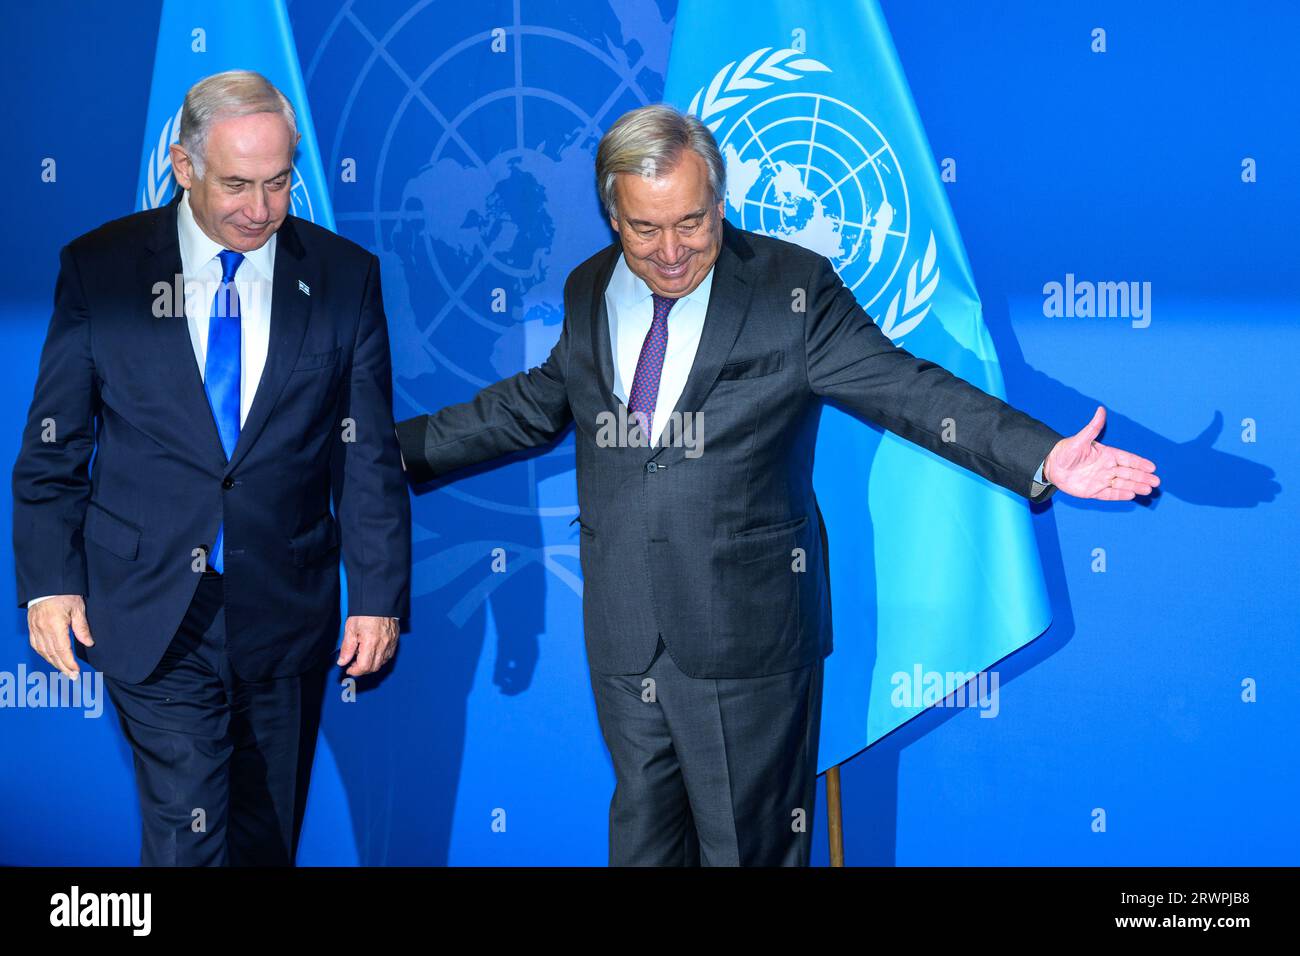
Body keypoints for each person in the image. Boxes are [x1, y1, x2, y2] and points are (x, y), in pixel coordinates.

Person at [394, 103, 1158, 866]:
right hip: (625, 631)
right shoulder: (590, 286)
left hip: (745, 633)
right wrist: (382, 454)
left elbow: (909, 389)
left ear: (721, 201)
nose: (668, 252)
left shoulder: (791, 289)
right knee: (641, 849)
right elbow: (537, 401)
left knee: (749, 853)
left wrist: (1044, 455)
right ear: (611, 213)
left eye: (691, 223)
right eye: (643, 229)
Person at [12, 70, 411, 866]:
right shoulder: (104, 268)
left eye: (277, 183)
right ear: (182, 165)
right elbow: (56, 443)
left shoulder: (343, 277)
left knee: (266, 839)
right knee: (188, 830)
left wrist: (375, 596)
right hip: (153, 606)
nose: (259, 210)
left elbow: (363, 452)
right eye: (236, 184)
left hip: (284, 606)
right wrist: (51, 580)